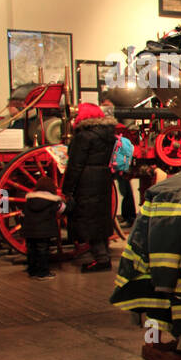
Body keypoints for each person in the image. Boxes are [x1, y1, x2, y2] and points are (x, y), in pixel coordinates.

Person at [62, 101, 117, 272]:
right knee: (99, 217)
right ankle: (104, 254)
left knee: (88, 218)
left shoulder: (84, 136)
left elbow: (76, 164)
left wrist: (67, 189)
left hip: (86, 180)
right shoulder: (108, 135)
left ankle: (101, 259)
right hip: (103, 179)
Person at [22, 177, 63, 280]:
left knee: (31, 250)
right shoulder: (53, 201)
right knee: (43, 251)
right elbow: (63, 209)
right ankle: (43, 273)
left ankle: (32, 271)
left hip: (29, 231)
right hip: (44, 231)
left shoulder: (29, 200)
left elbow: (22, 215)